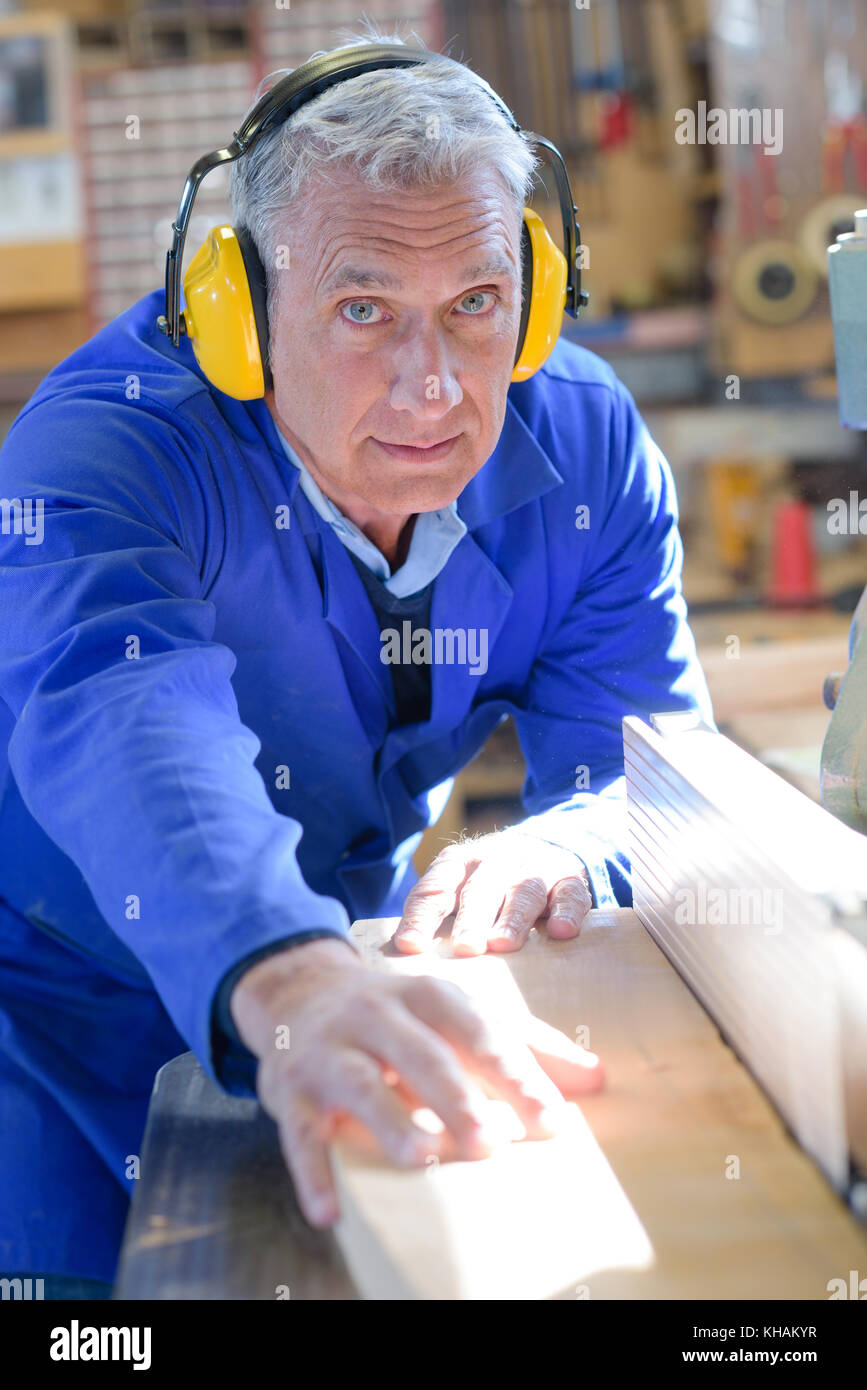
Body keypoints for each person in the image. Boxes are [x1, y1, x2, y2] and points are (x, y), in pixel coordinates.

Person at [0, 27, 712, 1295]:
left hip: (354, 980)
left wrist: (559, 843)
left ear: (535, 295)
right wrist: (290, 977)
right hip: (58, 1017)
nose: (434, 388)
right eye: (363, 307)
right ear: (240, 309)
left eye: (476, 304)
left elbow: (644, 771)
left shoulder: (588, 454)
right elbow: (132, 725)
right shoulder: (104, 455)